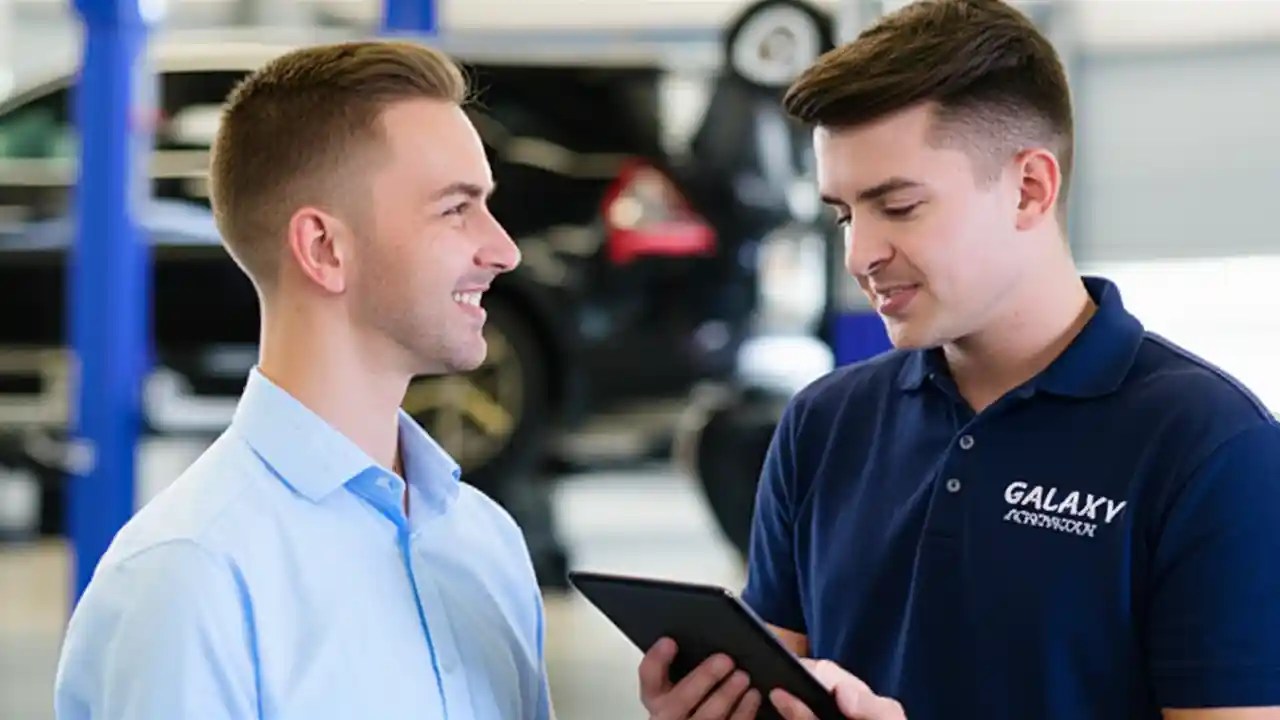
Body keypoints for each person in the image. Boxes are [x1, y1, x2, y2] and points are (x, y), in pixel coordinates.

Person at [638, 0, 1280, 718]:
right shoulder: (822, 425)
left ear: (1029, 189)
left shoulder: (1212, 448)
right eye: (845, 214)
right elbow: (783, 685)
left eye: (901, 206)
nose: (860, 254)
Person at [53, 40, 554, 720]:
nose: (503, 249)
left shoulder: (484, 544)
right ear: (324, 249)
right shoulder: (189, 577)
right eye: (455, 208)